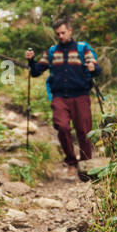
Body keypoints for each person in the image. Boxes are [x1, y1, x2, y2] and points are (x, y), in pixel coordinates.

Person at [26, 16, 101, 179]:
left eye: (63, 33)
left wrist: (92, 67)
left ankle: (86, 165)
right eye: (57, 34)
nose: (60, 36)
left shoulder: (83, 48)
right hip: (59, 96)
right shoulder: (52, 51)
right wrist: (31, 61)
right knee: (62, 126)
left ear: (70, 31)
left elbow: (96, 68)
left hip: (81, 95)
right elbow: (36, 71)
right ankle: (72, 163)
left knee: (84, 130)